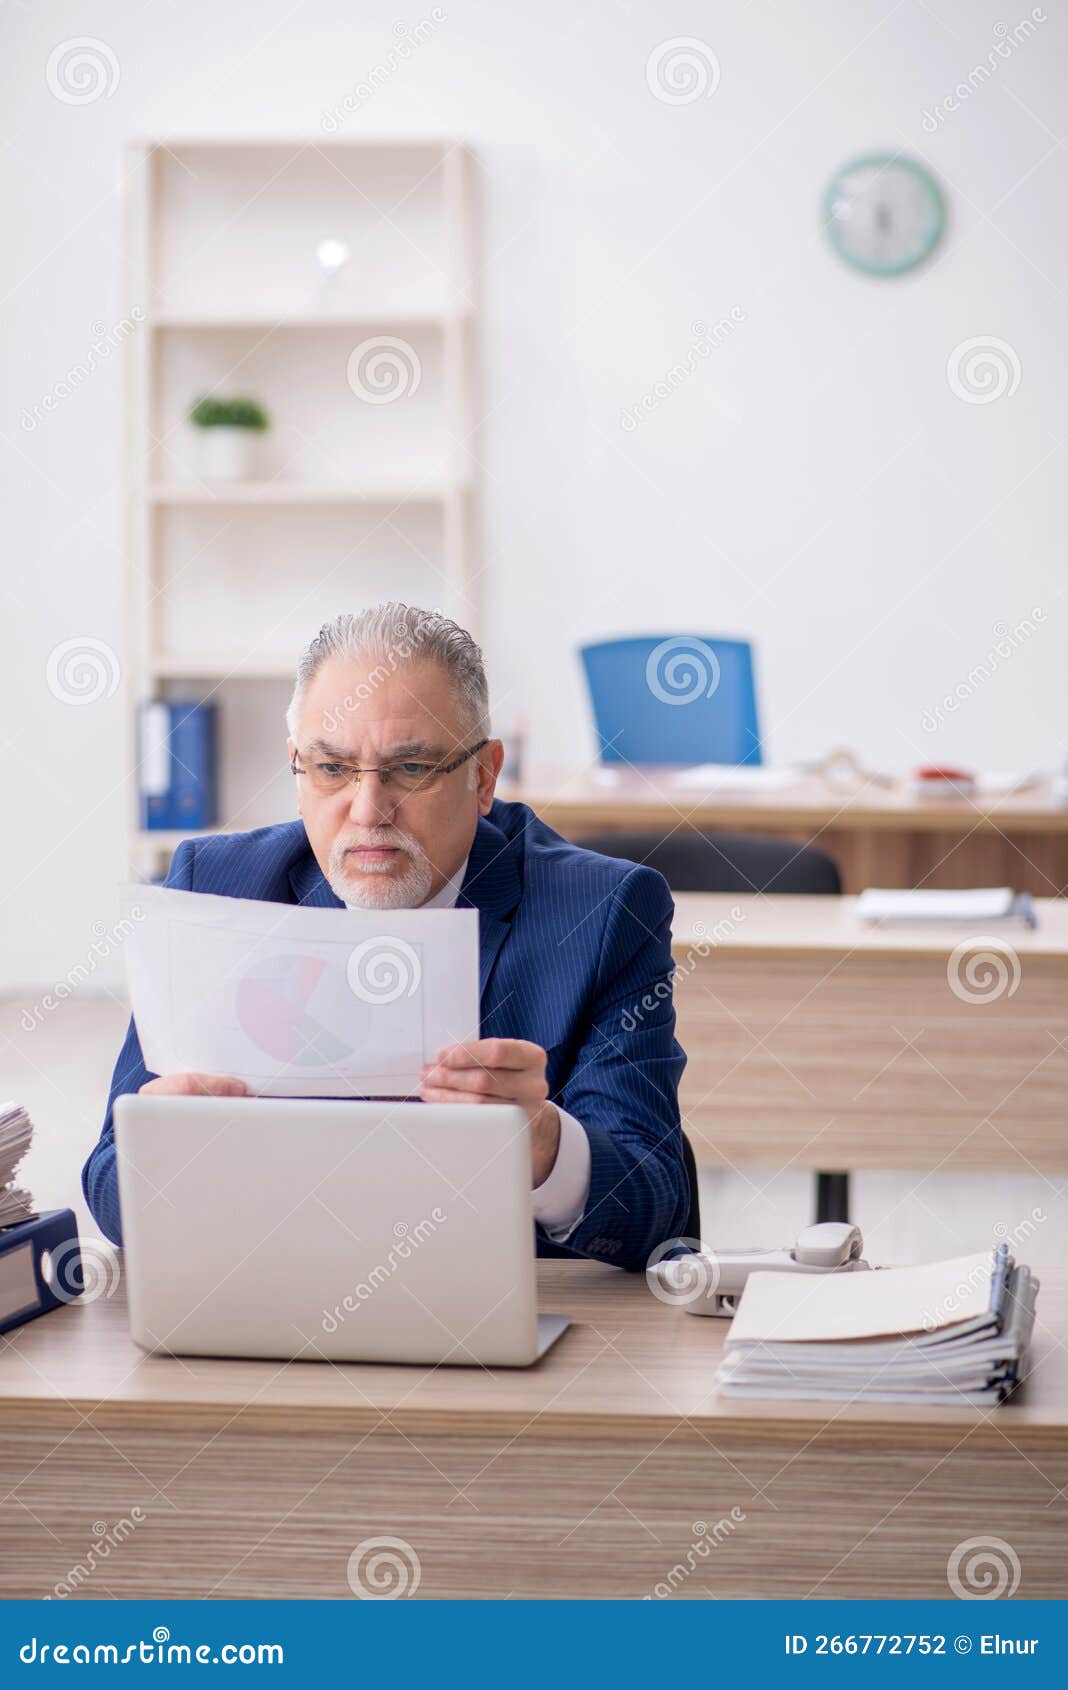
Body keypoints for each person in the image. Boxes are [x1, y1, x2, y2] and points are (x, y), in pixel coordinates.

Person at [82, 605, 689, 1270]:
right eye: (333, 769)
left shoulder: (600, 913)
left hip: (496, 1326)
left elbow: (655, 1205)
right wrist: (163, 1155)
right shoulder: (217, 887)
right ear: (297, 768)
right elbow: (110, 1183)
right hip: (274, 1304)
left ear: (483, 777)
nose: (368, 812)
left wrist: (543, 1145)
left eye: (410, 769)